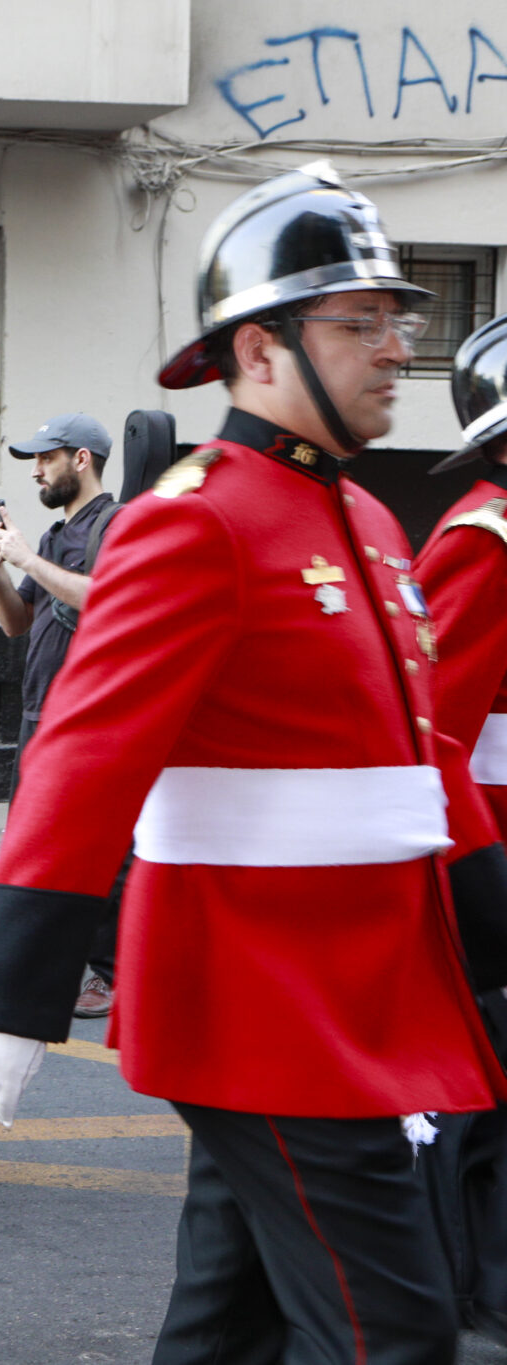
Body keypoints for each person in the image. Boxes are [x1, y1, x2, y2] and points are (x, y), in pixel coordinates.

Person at [0, 161, 507, 1364]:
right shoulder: (192, 519)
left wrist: (489, 916)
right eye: (357, 321)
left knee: (228, 1324)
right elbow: (83, 757)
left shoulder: (360, 520)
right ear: (258, 349)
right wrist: (6, 996)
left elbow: (418, 757)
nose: (393, 347)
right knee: (390, 1335)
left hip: (352, 980)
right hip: (260, 999)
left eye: (394, 319)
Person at [411, 313, 507, 1345]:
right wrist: (483, 892)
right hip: (485, 858)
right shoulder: (482, 541)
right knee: (462, 1099)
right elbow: (433, 740)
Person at [0, 412, 120, 1017]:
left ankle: (108, 975)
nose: (36, 470)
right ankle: (42, 965)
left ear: (81, 460)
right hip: (39, 712)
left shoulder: (116, 525)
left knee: (97, 850)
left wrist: (27, 559)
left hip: (87, 716)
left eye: (46, 458)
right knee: (35, 843)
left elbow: (105, 598)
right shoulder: (54, 536)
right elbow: (17, 622)